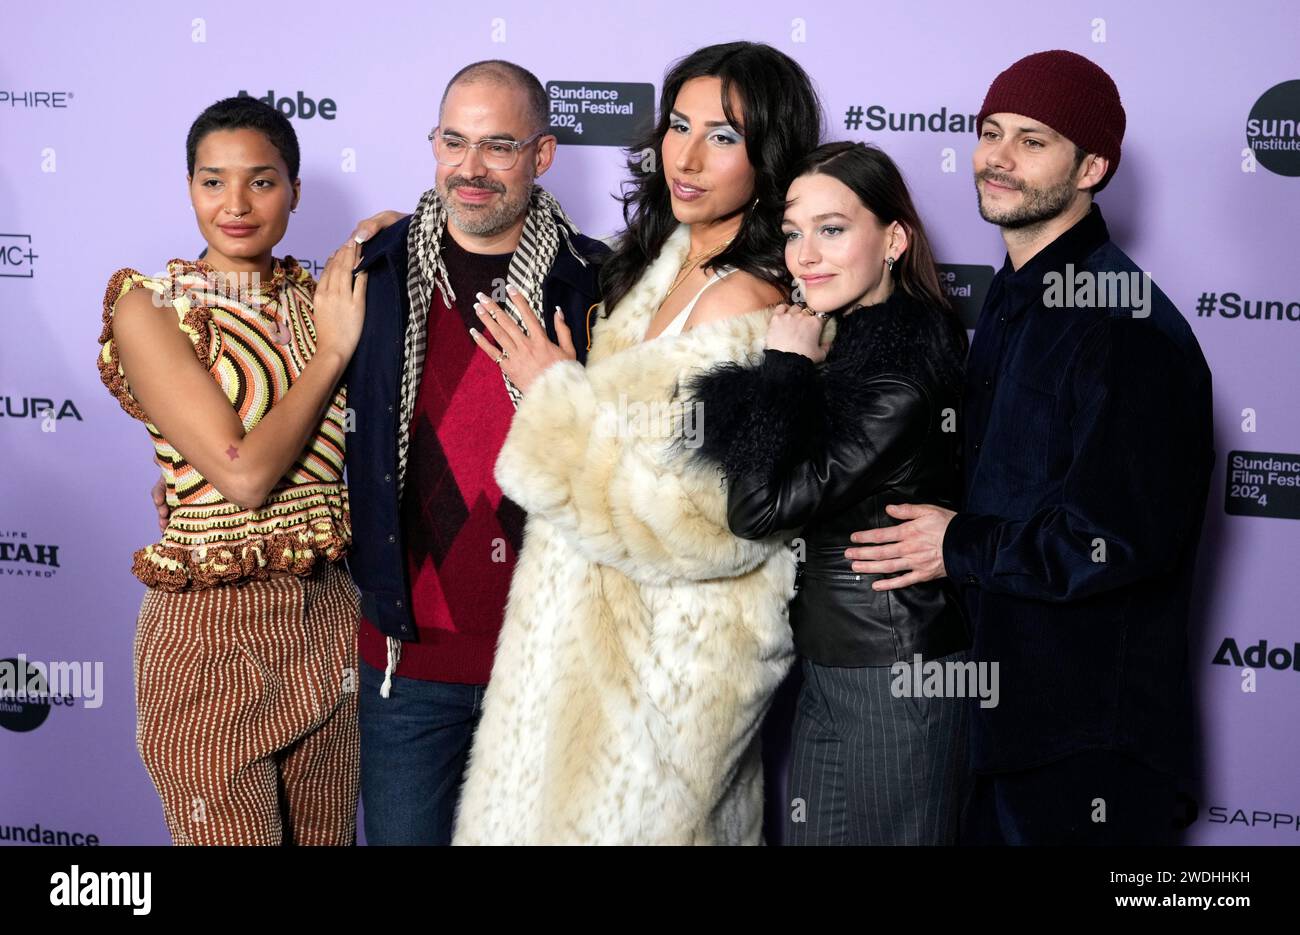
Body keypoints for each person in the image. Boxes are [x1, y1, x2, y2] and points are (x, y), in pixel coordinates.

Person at [451, 41, 823, 844]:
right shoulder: (665, 263)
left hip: (668, 680)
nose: (685, 157)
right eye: (678, 125)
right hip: (587, 655)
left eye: (723, 137)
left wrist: (556, 392)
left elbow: (702, 524)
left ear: (770, 155)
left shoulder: (743, 303)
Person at [843, 50, 1214, 845]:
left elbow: (1116, 540)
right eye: (990, 132)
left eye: (1033, 141)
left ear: (1093, 167)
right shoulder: (1015, 298)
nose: (998, 158)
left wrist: (957, 542)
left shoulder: (1127, 327)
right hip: (1004, 730)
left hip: (1088, 746)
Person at [342, 60, 609, 845]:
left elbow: (638, 466)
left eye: (498, 146)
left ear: (543, 153)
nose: (470, 168)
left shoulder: (597, 281)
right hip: (406, 662)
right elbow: (322, 419)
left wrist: (571, 397)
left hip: (550, 661)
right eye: (453, 141)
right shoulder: (375, 268)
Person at [97, 96, 367, 845]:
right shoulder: (151, 307)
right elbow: (243, 475)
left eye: (262, 181)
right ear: (188, 187)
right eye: (212, 182)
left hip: (329, 621)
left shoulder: (321, 302)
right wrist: (333, 355)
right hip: (210, 637)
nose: (235, 204)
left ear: (295, 190)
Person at [685, 141, 972, 845]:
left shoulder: (898, 368)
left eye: (832, 229)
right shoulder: (848, 340)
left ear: (894, 239)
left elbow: (758, 509)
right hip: (837, 660)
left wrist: (783, 367)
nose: (804, 254)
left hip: (895, 672)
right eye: (792, 231)